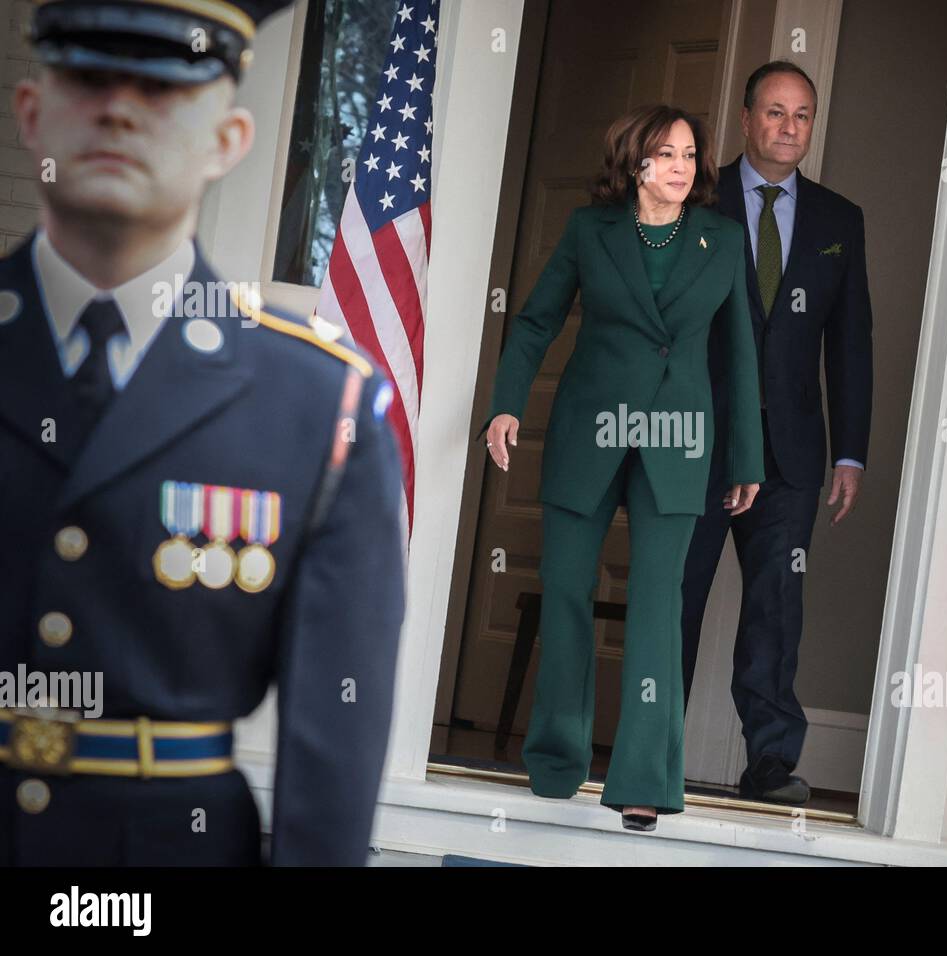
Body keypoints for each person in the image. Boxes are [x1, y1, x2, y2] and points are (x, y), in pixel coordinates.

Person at [0, 0, 406, 865]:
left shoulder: (319, 406)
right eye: (89, 74)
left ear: (229, 137)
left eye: (161, 83)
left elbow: (333, 743)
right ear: (31, 111)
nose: (120, 107)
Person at [477, 104, 765, 831]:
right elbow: (538, 319)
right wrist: (506, 405)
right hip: (588, 429)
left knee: (658, 604)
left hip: (677, 437)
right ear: (633, 161)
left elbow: (741, 353)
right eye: (665, 153)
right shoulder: (588, 230)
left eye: (691, 155)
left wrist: (745, 457)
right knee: (566, 586)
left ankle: (644, 779)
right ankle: (555, 759)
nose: (680, 166)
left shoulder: (725, 240)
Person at [680, 61, 874, 806]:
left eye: (802, 115)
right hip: (692, 445)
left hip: (791, 455)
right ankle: (652, 740)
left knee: (777, 605)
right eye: (774, 112)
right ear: (745, 117)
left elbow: (851, 341)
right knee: (676, 596)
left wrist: (851, 451)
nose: (788, 128)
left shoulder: (838, 219)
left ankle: (769, 761)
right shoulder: (697, 198)